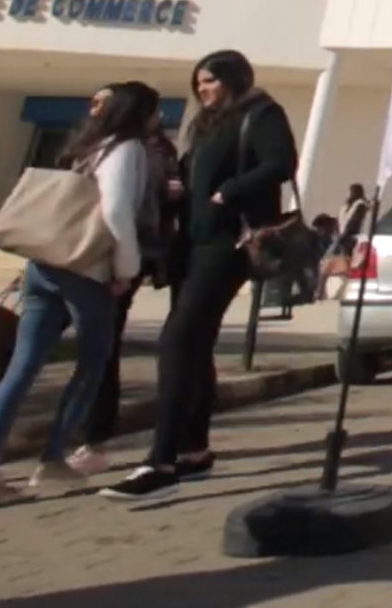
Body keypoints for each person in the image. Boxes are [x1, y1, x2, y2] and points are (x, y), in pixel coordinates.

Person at [0, 82, 155, 513]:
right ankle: (53, 457)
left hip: (43, 265)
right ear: (143, 114)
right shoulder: (127, 149)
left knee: (21, 370)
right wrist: (127, 268)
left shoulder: (85, 145)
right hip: (84, 269)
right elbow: (116, 209)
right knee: (93, 362)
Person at [103, 51, 298, 503]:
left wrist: (227, 192)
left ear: (234, 78)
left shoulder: (261, 113)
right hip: (190, 244)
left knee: (177, 342)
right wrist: (181, 187)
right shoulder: (208, 122)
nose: (203, 89)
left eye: (211, 81)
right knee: (194, 345)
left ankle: (160, 461)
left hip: (228, 244)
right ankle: (194, 450)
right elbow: (199, 171)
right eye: (199, 83)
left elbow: (281, 163)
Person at [73, 108, 182, 470]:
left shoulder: (145, 150)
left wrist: (127, 267)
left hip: (111, 255)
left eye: (104, 102)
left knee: (100, 347)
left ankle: (93, 440)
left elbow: (129, 210)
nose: (95, 109)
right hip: (70, 253)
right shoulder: (90, 143)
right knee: (29, 349)